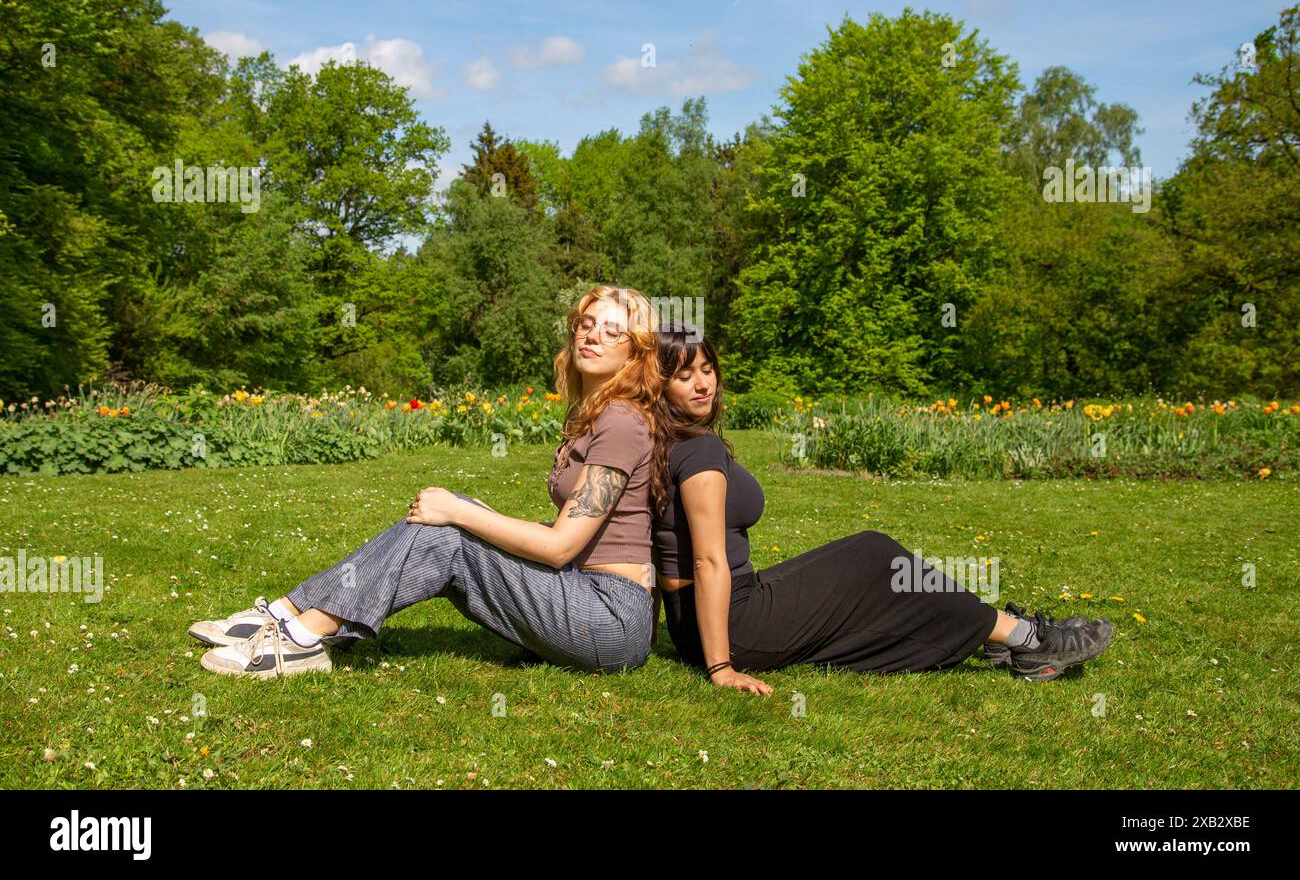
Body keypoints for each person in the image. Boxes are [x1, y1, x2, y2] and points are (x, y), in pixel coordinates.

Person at [189, 285, 661, 678]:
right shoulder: (594, 413)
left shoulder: (620, 421)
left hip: (609, 620)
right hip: (584, 594)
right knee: (456, 512)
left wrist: (464, 515)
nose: (592, 336)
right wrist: (468, 510)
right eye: (586, 324)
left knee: (452, 532)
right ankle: (286, 614)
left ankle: (301, 639)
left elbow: (560, 546)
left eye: (612, 331)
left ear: (635, 351)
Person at [649, 324, 1114, 695]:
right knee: (873, 556)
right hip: (733, 624)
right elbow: (707, 560)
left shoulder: (669, 442)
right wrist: (721, 666)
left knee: (870, 569)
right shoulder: (700, 454)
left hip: (704, 619)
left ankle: (991, 630)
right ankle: (1027, 641)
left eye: (707, 369)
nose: (702, 384)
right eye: (684, 375)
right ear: (660, 384)